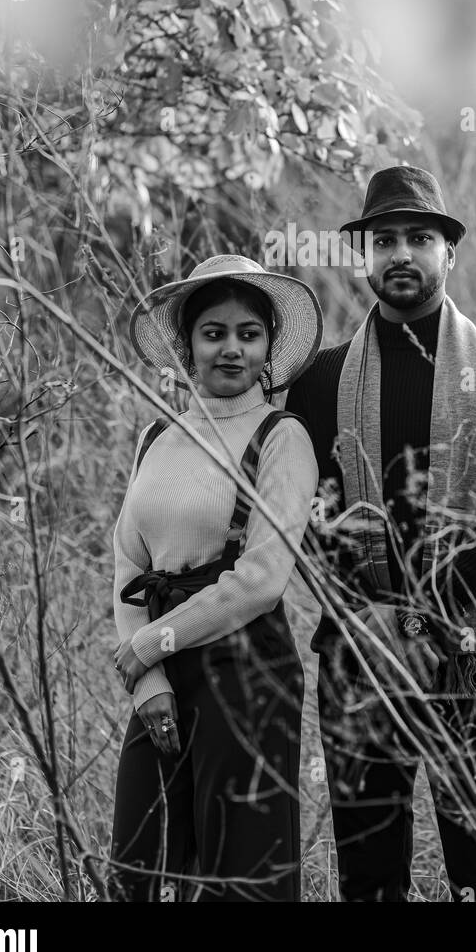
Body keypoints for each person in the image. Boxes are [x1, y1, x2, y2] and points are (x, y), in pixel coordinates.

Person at [285, 165, 476, 903]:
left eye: (419, 238)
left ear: (449, 253)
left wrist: (423, 618)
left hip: (472, 646)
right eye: (385, 240)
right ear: (365, 256)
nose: (401, 253)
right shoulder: (317, 382)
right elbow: (309, 521)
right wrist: (372, 617)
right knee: (370, 881)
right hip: (359, 655)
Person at [109, 254, 321, 902]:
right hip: (162, 679)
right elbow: (127, 564)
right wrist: (148, 681)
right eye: (214, 332)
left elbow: (260, 578)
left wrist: (153, 643)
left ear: (267, 347)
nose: (231, 347)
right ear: (189, 345)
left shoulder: (281, 437)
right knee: (138, 868)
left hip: (246, 671)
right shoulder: (158, 436)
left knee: (241, 879)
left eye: (248, 333)